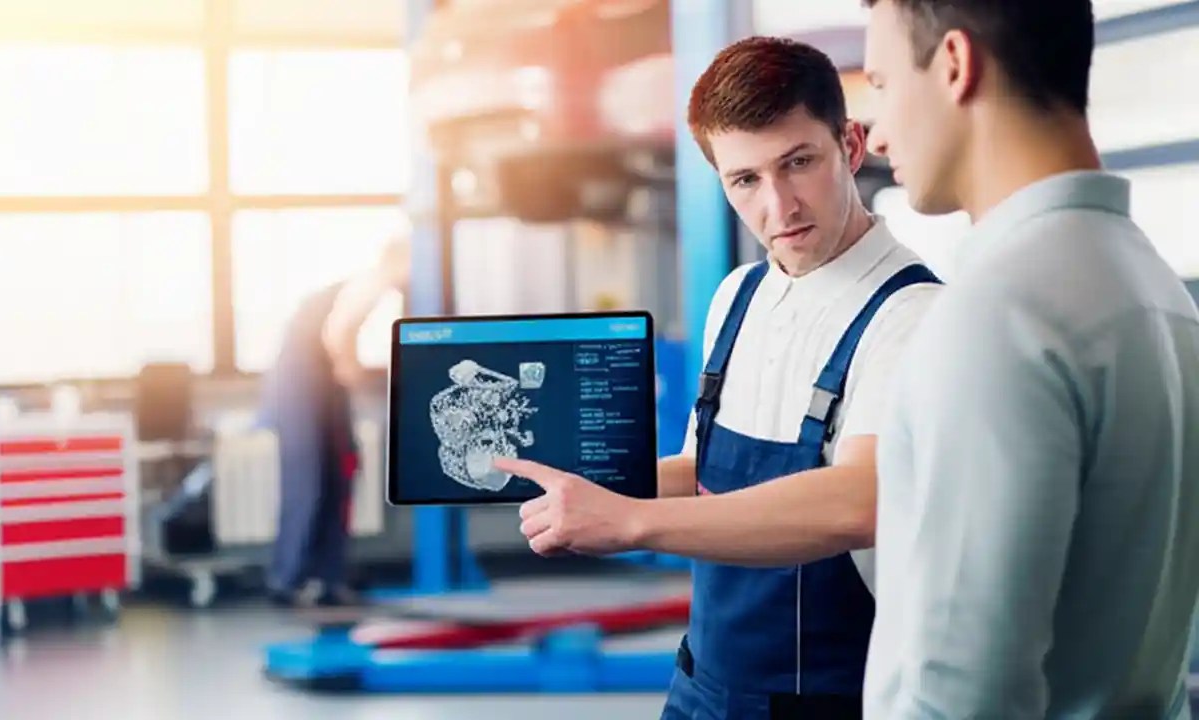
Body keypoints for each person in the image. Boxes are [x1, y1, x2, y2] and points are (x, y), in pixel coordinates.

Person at [495, 37, 941, 718]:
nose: (780, 206)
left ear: (850, 146)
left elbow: (858, 501)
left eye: (799, 163)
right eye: (746, 180)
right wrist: (583, 480)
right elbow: (706, 467)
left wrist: (630, 522)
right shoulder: (739, 295)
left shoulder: (912, 315)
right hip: (700, 682)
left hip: (822, 700)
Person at [859, 1, 1199, 716]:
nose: (878, 131)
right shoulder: (1158, 293)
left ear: (954, 63)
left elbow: (964, 696)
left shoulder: (998, 315)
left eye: (883, 84)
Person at [260, 236, 409, 607]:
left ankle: (328, 578)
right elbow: (339, 332)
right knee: (308, 482)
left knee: (339, 477)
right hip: (302, 385)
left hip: (323, 385)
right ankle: (287, 578)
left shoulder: (378, 287)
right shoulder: (371, 282)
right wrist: (353, 372)